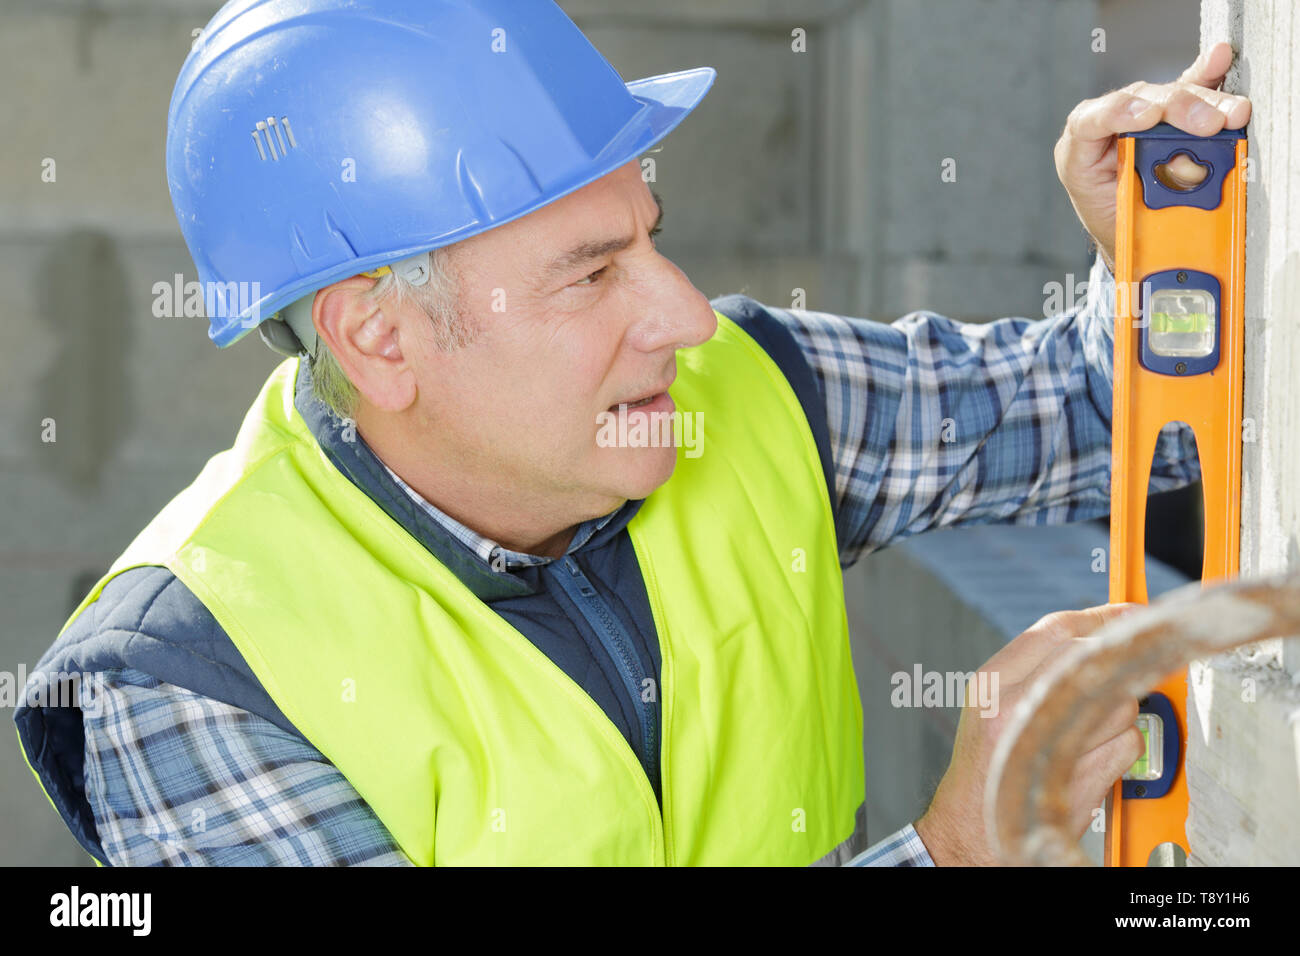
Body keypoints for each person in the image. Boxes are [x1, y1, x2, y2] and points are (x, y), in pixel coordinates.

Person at [15, 0, 1250, 866]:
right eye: (590, 273)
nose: (681, 314)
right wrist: (953, 852)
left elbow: (1108, 414)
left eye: (647, 234)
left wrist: (1150, 260)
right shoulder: (189, 678)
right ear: (378, 339)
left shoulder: (756, 393)